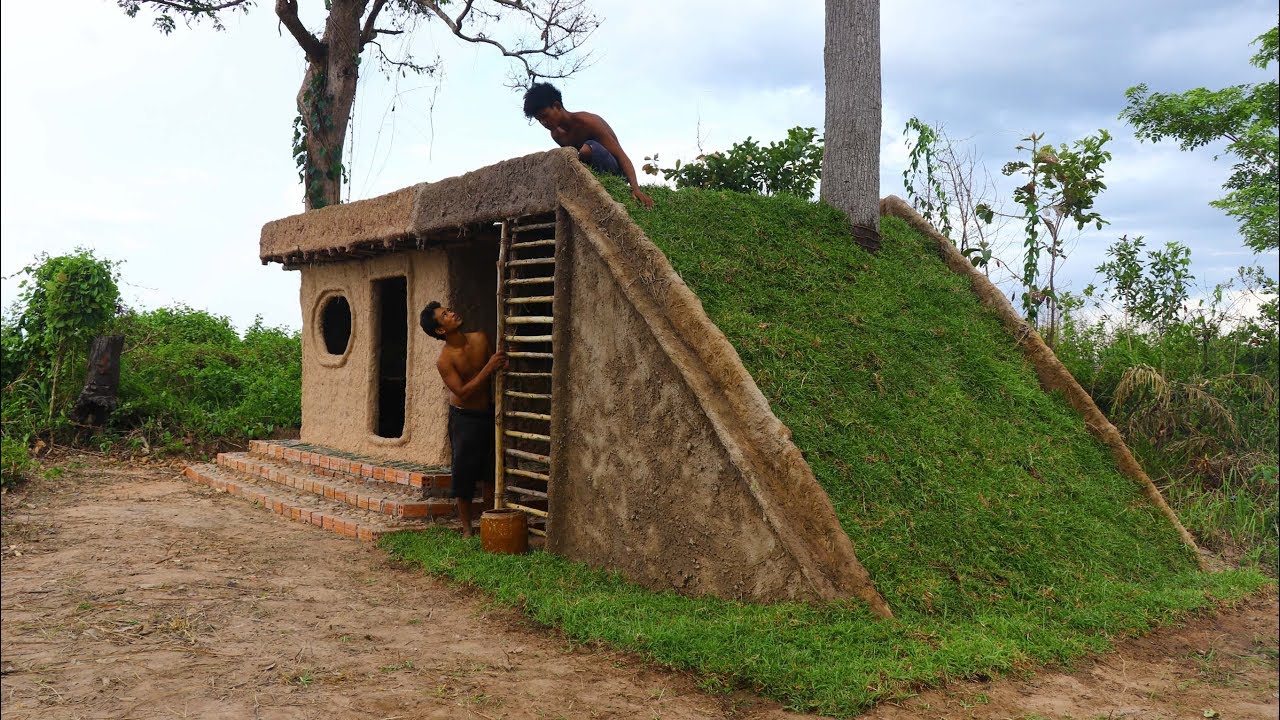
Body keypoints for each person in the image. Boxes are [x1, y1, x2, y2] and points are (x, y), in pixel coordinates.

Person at [420, 301, 506, 538]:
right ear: (440, 330)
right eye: (445, 315)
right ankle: (467, 528)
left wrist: (500, 365)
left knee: (491, 470)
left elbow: (498, 370)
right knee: (464, 473)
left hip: (488, 413)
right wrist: (489, 367)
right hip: (464, 419)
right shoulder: (445, 360)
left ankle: (490, 522)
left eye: (448, 310)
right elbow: (463, 392)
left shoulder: (480, 338)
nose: (452, 313)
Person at [523, 82, 655, 209]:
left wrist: (636, 189)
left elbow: (621, 155)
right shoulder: (556, 134)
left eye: (545, 116)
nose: (544, 122)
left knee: (586, 149)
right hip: (589, 172)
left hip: (615, 171)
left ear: (557, 106)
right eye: (539, 119)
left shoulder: (588, 122)